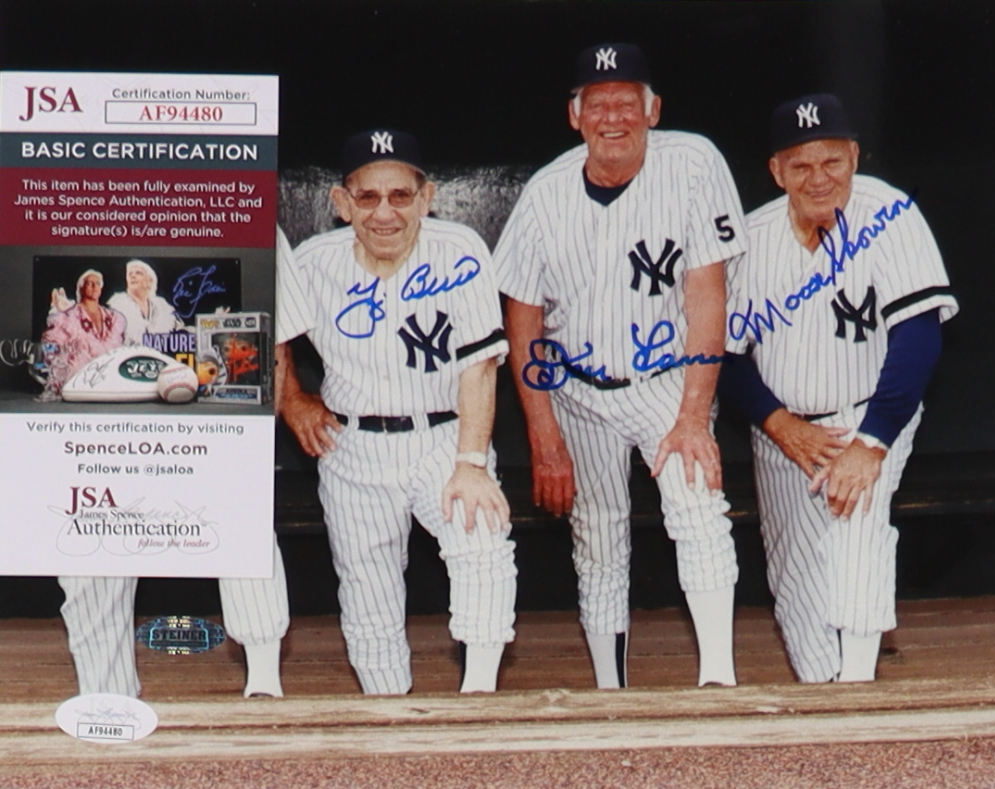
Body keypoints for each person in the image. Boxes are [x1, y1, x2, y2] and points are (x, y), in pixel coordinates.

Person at [494, 44, 747, 688]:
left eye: (627, 103)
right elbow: (522, 317)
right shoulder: (546, 193)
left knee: (697, 505)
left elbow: (707, 292)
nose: (614, 117)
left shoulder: (693, 163)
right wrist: (543, 435)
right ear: (574, 116)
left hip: (666, 379)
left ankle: (717, 679)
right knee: (599, 537)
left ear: (653, 111)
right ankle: (610, 688)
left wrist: (694, 416)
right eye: (598, 104)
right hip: (578, 389)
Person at [720, 93, 958, 683]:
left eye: (831, 161)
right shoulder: (750, 238)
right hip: (784, 429)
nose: (818, 178)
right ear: (776, 171)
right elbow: (723, 356)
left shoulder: (890, 213)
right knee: (794, 580)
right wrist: (779, 424)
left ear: (854, 156)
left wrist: (871, 443)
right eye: (800, 165)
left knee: (857, 529)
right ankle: (825, 697)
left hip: (870, 411)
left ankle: (857, 687)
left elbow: (918, 337)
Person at [275, 130, 517, 695]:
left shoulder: (459, 250)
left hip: (445, 436)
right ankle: (388, 716)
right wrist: (293, 401)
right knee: (368, 594)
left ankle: (479, 702)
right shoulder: (313, 262)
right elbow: (271, 335)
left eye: (400, 195)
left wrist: (472, 463)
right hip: (352, 444)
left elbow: (480, 366)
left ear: (426, 198)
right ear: (341, 203)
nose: (384, 212)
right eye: (367, 197)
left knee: (483, 545)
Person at [57, 234, 296, 699]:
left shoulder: (166, 306)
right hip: (108, 425)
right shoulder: (113, 305)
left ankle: (264, 686)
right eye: (131, 274)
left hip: (197, 421)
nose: (137, 279)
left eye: (142, 274)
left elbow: (278, 338)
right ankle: (108, 700)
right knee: (88, 544)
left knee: (241, 517)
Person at [42, 269, 125, 397]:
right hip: (79, 379)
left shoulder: (113, 317)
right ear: (81, 288)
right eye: (89, 283)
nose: (94, 286)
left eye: (97, 283)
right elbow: (53, 347)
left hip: (108, 379)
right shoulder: (68, 317)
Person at [107, 259, 184, 345]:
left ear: (150, 281)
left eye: (138, 273)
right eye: (130, 274)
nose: (133, 276)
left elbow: (181, 332)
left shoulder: (163, 307)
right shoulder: (117, 305)